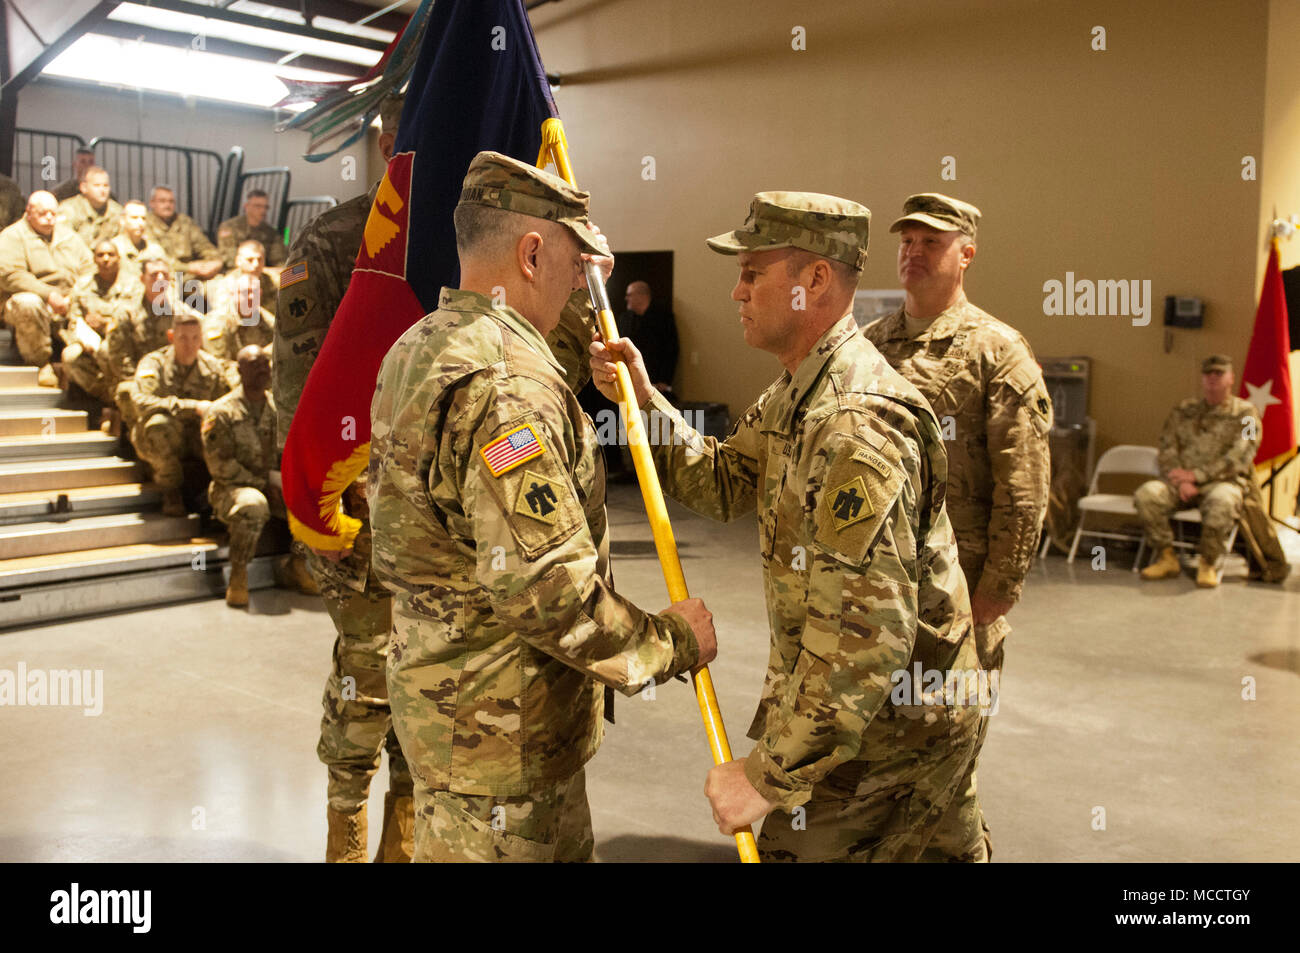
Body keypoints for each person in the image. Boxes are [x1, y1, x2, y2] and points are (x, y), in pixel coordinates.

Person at [591, 191, 985, 862]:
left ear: (816, 282)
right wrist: (645, 398)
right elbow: (721, 483)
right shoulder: (799, 389)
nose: (737, 292)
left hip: (889, 730)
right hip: (882, 714)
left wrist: (767, 775)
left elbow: (868, 637)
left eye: (752, 272)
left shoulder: (855, 421)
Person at [368, 150, 716, 863]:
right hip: (506, 744)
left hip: (444, 714)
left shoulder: (417, 346)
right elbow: (550, 595)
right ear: (531, 252)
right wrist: (673, 641)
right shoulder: (510, 389)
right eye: (574, 265)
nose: (584, 286)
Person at [862, 192, 1052, 859]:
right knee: (877, 751)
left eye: (930, 242)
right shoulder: (869, 344)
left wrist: (997, 590)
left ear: (966, 252)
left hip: (963, 589)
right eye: (906, 241)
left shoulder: (996, 351)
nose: (913, 252)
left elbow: (1024, 487)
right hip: (877, 590)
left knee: (947, 753)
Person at [273, 91, 415, 863]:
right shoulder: (332, 238)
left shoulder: (460, 240)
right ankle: (345, 825)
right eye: (406, 128)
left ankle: (406, 827)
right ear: (386, 136)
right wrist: (342, 487)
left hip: (438, 508)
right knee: (371, 661)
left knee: (427, 671)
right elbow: (299, 389)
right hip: (353, 498)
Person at [1136, 355, 1261, 588]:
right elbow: (1167, 447)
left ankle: (1208, 563)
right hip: (1180, 482)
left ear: (1230, 378)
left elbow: (1241, 456)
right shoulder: (1184, 411)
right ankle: (1166, 557)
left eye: (1219, 374)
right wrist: (1180, 479)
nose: (1213, 378)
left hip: (1222, 482)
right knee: (1147, 494)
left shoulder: (1246, 413)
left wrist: (1198, 476)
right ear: (1202, 378)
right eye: (1208, 374)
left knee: (1223, 501)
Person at [202, 345, 304, 607]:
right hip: (232, 489)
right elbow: (220, 466)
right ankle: (238, 574)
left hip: (273, 484)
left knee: (311, 499)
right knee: (253, 504)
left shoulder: (278, 409)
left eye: (265, 363)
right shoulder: (221, 411)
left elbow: (292, 451)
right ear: (239, 370)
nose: (262, 369)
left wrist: (287, 482)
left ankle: (297, 565)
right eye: (254, 364)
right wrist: (261, 484)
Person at [130, 311, 238, 517]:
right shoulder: (154, 363)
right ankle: (170, 490)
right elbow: (141, 402)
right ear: (171, 337)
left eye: (196, 338)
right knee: (158, 425)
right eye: (183, 338)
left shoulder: (212, 366)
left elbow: (234, 393)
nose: (190, 345)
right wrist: (191, 406)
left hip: (200, 436)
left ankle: (221, 498)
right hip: (166, 437)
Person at [0, 190, 93, 387]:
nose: (49, 218)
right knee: (28, 303)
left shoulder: (69, 237)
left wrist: (74, 297)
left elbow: (89, 268)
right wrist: (48, 294)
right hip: (30, 301)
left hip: (70, 301)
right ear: (29, 211)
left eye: (53, 213)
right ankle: (40, 364)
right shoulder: (12, 236)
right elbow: (10, 275)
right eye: (43, 213)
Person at [105, 257, 204, 435]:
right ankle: (139, 438)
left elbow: (198, 349)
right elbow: (119, 358)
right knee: (126, 392)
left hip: (176, 379)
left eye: (164, 274)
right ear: (142, 279)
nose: (159, 278)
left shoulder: (182, 313)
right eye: (153, 275)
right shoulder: (126, 313)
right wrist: (145, 382)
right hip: (138, 380)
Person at [61, 239, 138, 407]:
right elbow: (74, 320)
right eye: (100, 255)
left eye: (110, 255)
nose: (105, 259)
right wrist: (81, 340)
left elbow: (138, 320)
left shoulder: (135, 285)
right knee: (70, 356)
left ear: (119, 258)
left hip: (126, 344)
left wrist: (107, 324)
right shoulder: (83, 285)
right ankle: (110, 399)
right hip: (91, 344)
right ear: (94, 259)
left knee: (107, 351)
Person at [146, 186, 222, 282]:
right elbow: (156, 258)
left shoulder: (184, 222)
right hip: (163, 277)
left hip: (191, 276)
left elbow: (203, 246)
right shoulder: (145, 223)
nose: (167, 205)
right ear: (152, 203)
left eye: (171, 201)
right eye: (162, 201)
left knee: (222, 285)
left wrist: (214, 262)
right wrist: (188, 267)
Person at [618, 280, 678, 395]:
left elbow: (671, 349)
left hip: (656, 380)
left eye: (629, 294)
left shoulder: (663, 317)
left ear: (642, 296)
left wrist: (665, 380)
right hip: (630, 379)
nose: (626, 298)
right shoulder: (624, 319)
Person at [202, 272, 274, 360]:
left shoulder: (259, 313)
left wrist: (263, 354)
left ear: (260, 294)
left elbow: (281, 336)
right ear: (233, 294)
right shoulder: (217, 323)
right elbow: (218, 365)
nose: (251, 297)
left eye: (255, 292)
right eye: (245, 293)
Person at [216, 190, 286, 270]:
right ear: (246, 206)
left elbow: (279, 260)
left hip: (262, 274)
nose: (263, 211)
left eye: (266, 207)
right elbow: (230, 260)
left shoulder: (270, 232)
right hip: (234, 274)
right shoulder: (229, 227)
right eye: (258, 206)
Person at [206, 239, 276, 316]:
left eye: (260, 260)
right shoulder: (227, 284)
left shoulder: (273, 280)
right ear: (238, 261)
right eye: (250, 260)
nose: (256, 264)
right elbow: (223, 315)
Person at [57, 167, 122, 248]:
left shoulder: (117, 211)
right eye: (97, 185)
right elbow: (62, 239)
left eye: (105, 186)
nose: (102, 190)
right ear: (83, 187)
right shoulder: (69, 209)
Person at [112, 201, 171, 276]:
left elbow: (170, 279)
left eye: (143, 218)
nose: (140, 223)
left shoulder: (155, 250)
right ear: (122, 220)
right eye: (134, 218)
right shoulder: (113, 249)